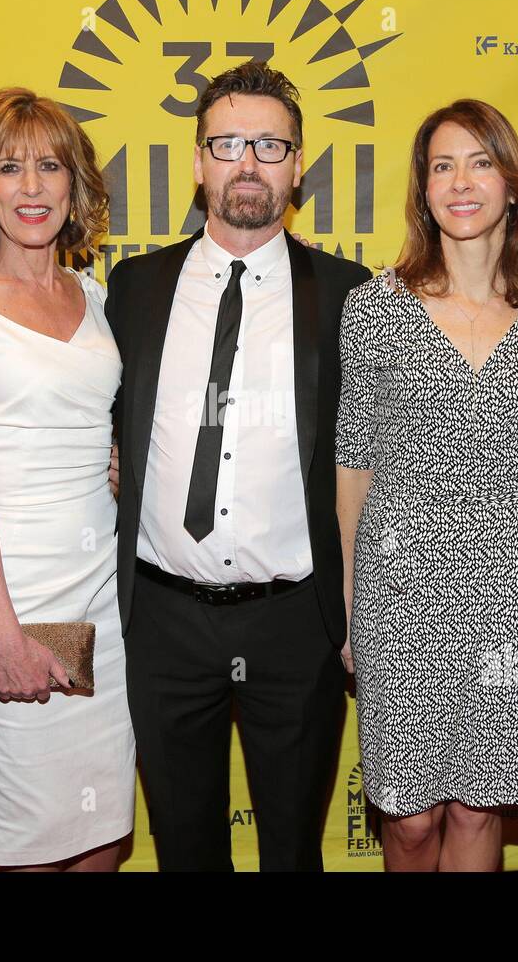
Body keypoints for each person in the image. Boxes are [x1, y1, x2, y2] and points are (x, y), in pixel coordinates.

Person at [104, 61, 369, 871]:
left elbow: (390, 446)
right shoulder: (133, 287)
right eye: (226, 143)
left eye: (269, 144)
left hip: (296, 622)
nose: (247, 162)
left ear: (297, 166)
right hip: (161, 620)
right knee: (185, 849)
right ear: (196, 162)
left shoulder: (350, 293)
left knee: (292, 849)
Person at [336, 100, 518, 872]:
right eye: (442, 165)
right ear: (423, 190)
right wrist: (349, 606)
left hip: (512, 588)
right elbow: (352, 465)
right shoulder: (376, 306)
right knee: (409, 818)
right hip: (399, 589)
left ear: (512, 182)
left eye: (480, 161)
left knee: (482, 807)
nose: (461, 181)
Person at [0, 88, 134, 871]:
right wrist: (3, 635)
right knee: (28, 847)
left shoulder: (98, 298)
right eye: (10, 168)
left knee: (103, 839)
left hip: (101, 604)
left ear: (75, 184)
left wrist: (118, 462)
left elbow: (101, 422)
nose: (33, 187)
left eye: (50, 166)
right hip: (12, 606)